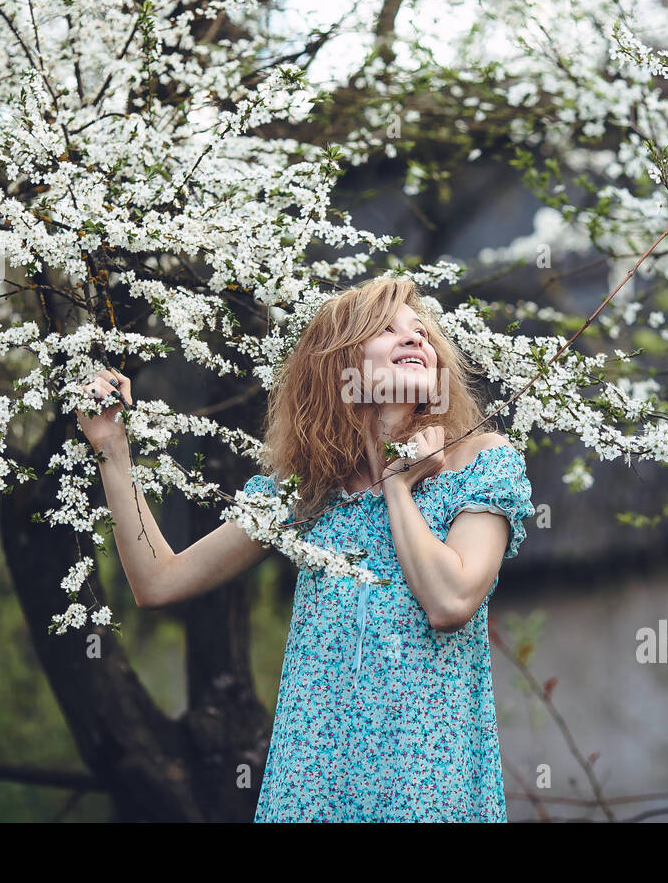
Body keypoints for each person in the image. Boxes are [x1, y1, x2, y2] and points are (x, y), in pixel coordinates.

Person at [76, 276, 535, 821]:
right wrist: (113, 448)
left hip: (426, 785)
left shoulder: (482, 462)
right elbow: (159, 580)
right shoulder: (304, 491)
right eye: (387, 330)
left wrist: (397, 485)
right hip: (310, 785)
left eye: (421, 333)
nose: (415, 340)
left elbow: (451, 602)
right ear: (338, 365)